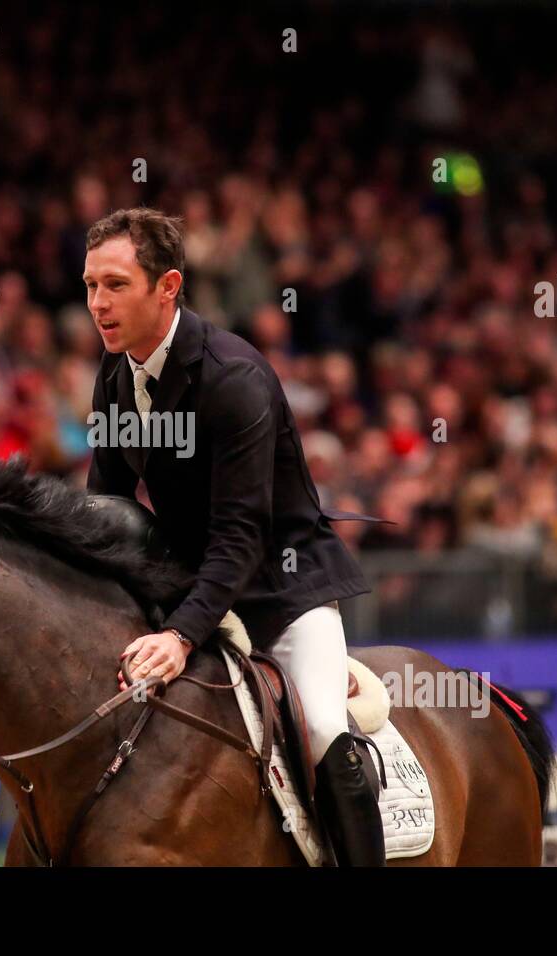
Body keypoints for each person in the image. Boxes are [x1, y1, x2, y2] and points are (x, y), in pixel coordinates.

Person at [82, 207, 384, 866]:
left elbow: (240, 534)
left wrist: (181, 635)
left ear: (167, 287)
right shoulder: (114, 378)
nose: (97, 304)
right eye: (90, 286)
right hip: (191, 588)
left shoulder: (232, 377)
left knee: (326, 731)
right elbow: (104, 508)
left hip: (281, 592)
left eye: (114, 285)